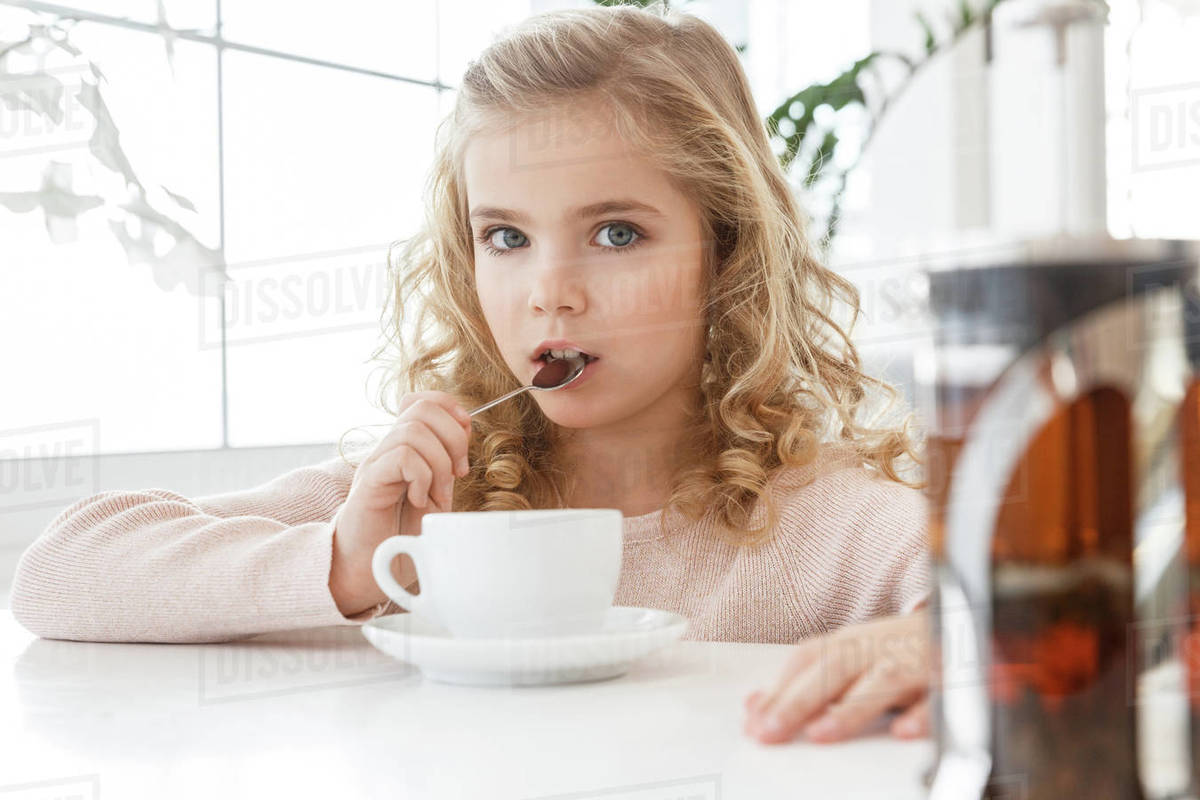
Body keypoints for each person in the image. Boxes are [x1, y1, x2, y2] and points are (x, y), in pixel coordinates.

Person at [10, 3, 932, 745]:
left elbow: (1030, 620)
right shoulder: (432, 504)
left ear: (723, 255)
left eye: (617, 233)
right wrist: (343, 561)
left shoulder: (824, 520)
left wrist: (938, 643)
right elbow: (60, 574)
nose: (550, 293)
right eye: (507, 236)